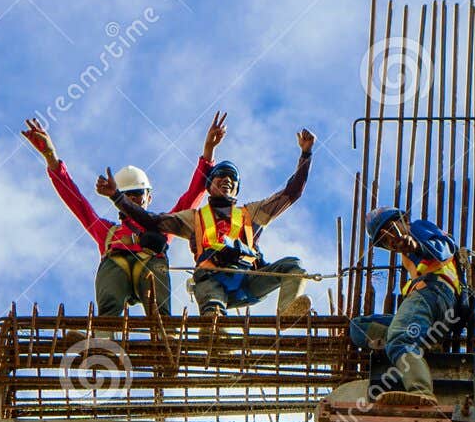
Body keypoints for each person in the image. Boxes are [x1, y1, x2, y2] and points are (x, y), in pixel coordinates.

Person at [103, 128, 317, 344]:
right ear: (209, 186)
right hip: (212, 281)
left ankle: (288, 309)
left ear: (236, 189)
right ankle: (215, 334)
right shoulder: (194, 218)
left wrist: (305, 155)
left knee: (293, 266)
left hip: (247, 280)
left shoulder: (251, 214)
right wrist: (118, 198)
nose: (227, 180)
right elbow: (152, 221)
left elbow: (291, 193)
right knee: (212, 306)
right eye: (220, 176)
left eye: (232, 178)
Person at [20, 111, 226, 316]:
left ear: (148, 197)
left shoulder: (163, 225)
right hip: (116, 266)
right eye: (127, 195)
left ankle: (164, 337)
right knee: (110, 293)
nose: (133, 199)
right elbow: (76, 201)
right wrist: (50, 156)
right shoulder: (107, 231)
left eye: (137, 194)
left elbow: (192, 195)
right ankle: (104, 337)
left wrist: (209, 150)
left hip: (150, 268)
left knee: (158, 295)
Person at [354, 205, 470, 403]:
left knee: (401, 338)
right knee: (358, 327)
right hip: (432, 310)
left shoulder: (416, 228)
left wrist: (416, 245)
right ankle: (414, 344)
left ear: (403, 220)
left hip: (433, 294)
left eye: (390, 230)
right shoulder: (406, 256)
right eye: (384, 241)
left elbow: (443, 248)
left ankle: (421, 393)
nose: (390, 241)